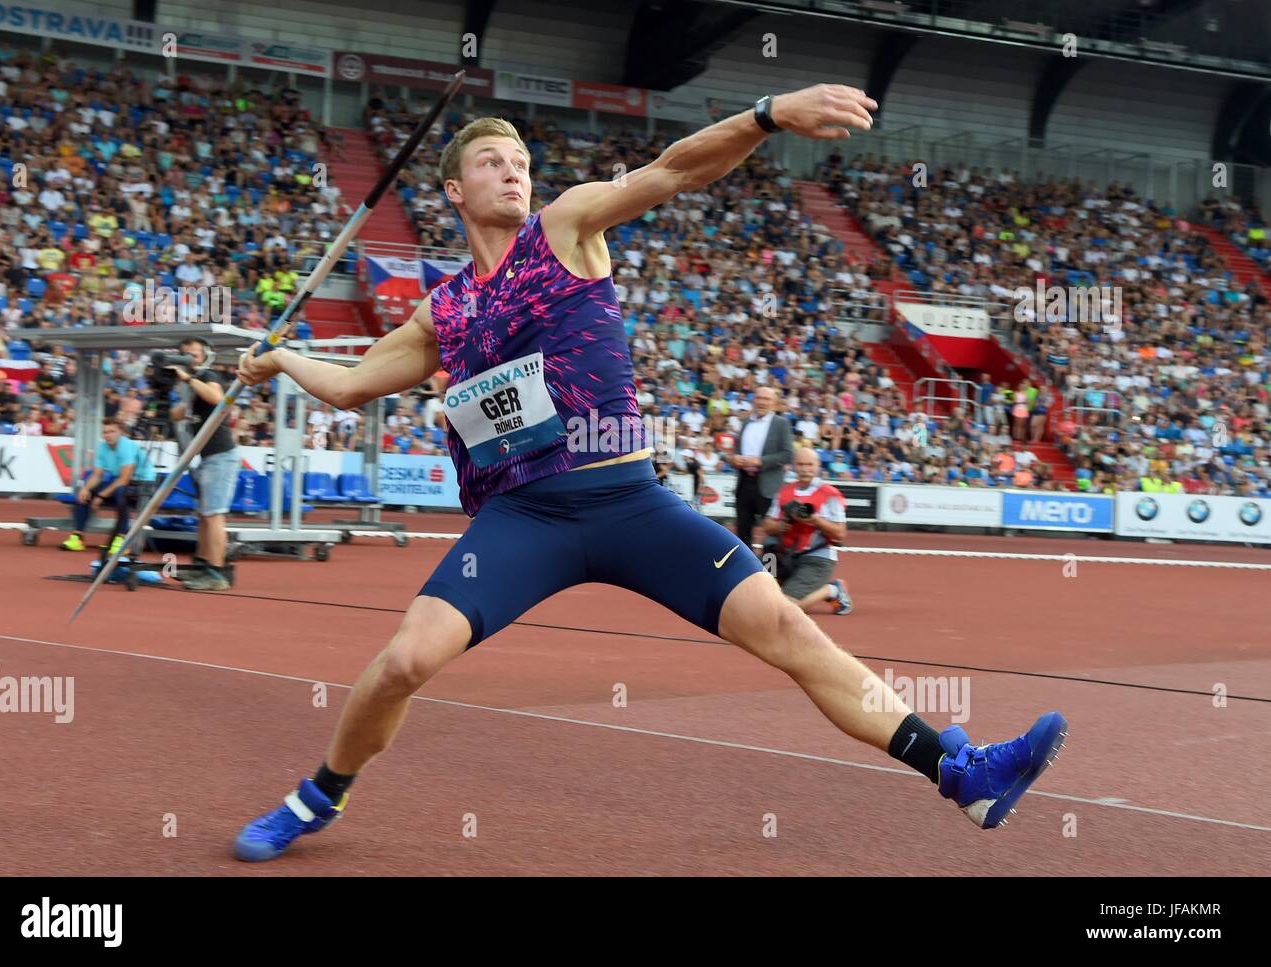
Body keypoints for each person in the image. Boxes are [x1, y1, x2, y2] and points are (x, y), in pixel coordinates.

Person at [232, 86, 1067, 862]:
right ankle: (320, 796)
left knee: (789, 629)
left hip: (629, 499)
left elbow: (674, 169)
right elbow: (349, 382)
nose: (512, 170)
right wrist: (282, 360)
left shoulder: (564, 227)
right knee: (404, 663)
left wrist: (769, 113)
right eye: (491, 162)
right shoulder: (442, 310)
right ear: (453, 190)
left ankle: (963, 775)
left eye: (520, 159)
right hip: (522, 519)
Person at [170, 336, 241, 590]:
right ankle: (202, 564)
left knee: (213, 515)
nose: (190, 358)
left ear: (204, 356)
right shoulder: (190, 387)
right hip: (209, 458)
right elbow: (178, 413)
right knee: (204, 515)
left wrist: (189, 378)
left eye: (195, 354)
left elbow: (216, 398)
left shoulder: (208, 375)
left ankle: (217, 573)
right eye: (185, 354)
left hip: (221, 456)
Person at [760, 448, 853, 615]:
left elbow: (840, 533)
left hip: (817, 557)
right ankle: (798, 587)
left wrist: (815, 520)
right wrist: (781, 525)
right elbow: (766, 525)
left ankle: (832, 590)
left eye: (809, 465)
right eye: (801, 464)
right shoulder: (784, 492)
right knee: (763, 596)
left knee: (785, 608)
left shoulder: (830, 494)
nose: (805, 469)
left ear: (817, 466)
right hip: (785, 555)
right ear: (794, 466)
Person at [60, 418, 157, 556]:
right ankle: (77, 538)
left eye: (112, 431)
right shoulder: (102, 447)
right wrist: (85, 488)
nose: (108, 435)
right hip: (122, 483)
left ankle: (121, 539)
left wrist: (101, 496)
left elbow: (124, 478)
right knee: (84, 494)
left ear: (121, 433)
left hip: (144, 485)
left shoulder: (126, 446)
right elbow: (97, 475)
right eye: (105, 432)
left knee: (121, 493)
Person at [729, 385, 793, 549]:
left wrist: (760, 461)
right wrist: (735, 458)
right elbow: (737, 450)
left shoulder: (781, 424)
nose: (762, 402)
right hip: (744, 483)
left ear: (775, 402)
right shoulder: (745, 422)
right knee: (743, 532)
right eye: (759, 398)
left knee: (772, 535)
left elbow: (787, 454)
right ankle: (747, 572)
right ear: (753, 400)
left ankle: (772, 571)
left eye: (767, 399)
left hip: (768, 485)